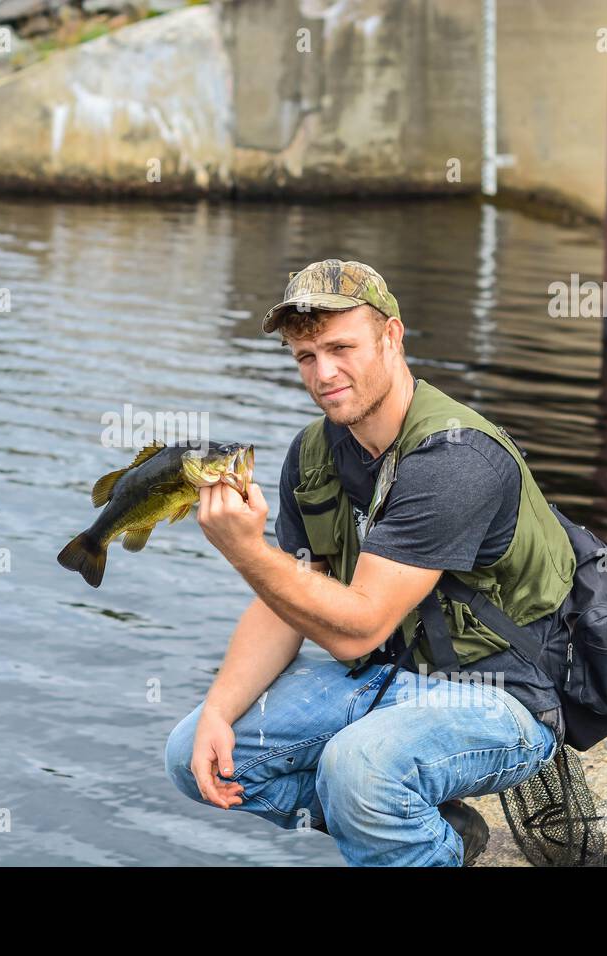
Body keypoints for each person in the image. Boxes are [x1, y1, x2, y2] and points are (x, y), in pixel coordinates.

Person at [164, 259, 568, 866]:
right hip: (391, 682)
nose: (324, 374)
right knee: (192, 756)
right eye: (305, 357)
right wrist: (219, 710)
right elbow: (290, 601)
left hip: (504, 696)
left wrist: (244, 551)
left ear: (392, 337)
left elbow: (359, 630)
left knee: (357, 769)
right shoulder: (313, 453)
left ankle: (397, 820)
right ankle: (431, 830)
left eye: (341, 348)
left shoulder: (456, 460)